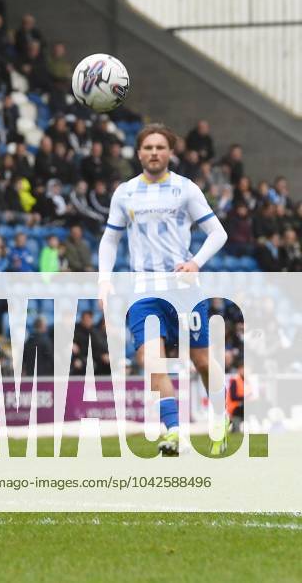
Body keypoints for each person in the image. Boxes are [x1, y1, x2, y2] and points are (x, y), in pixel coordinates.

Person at [98, 124, 229, 457]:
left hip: (183, 288)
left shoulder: (185, 189)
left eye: (160, 147)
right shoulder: (125, 192)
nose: (154, 152)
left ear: (170, 152)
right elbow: (110, 239)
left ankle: (221, 415)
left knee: (200, 359)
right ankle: (174, 433)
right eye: (148, 147)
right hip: (143, 290)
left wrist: (196, 263)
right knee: (151, 360)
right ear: (138, 152)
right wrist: (104, 277)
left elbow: (217, 233)